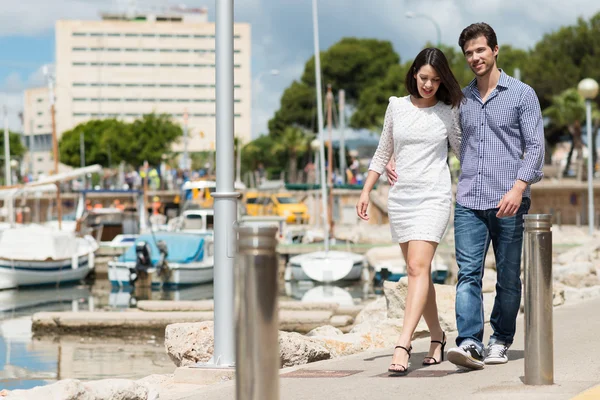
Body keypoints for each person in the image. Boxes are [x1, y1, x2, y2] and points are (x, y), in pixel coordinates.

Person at [444, 23, 545, 370]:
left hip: (509, 201)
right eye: (469, 53)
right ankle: (470, 342)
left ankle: (500, 339)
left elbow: (535, 146)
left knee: (506, 275)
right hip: (469, 199)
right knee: (468, 273)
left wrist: (519, 187)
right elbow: (453, 142)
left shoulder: (521, 94)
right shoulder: (463, 99)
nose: (474, 58)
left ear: (495, 49)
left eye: (480, 50)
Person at [357, 47, 463, 375]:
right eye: (423, 78)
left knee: (417, 268)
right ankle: (437, 336)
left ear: (442, 80)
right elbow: (382, 151)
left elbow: (464, 151)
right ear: (414, 74)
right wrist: (366, 190)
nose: (428, 85)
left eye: (435, 80)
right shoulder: (396, 107)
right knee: (418, 271)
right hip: (401, 198)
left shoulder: (449, 112)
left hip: (434, 196)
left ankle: (403, 343)